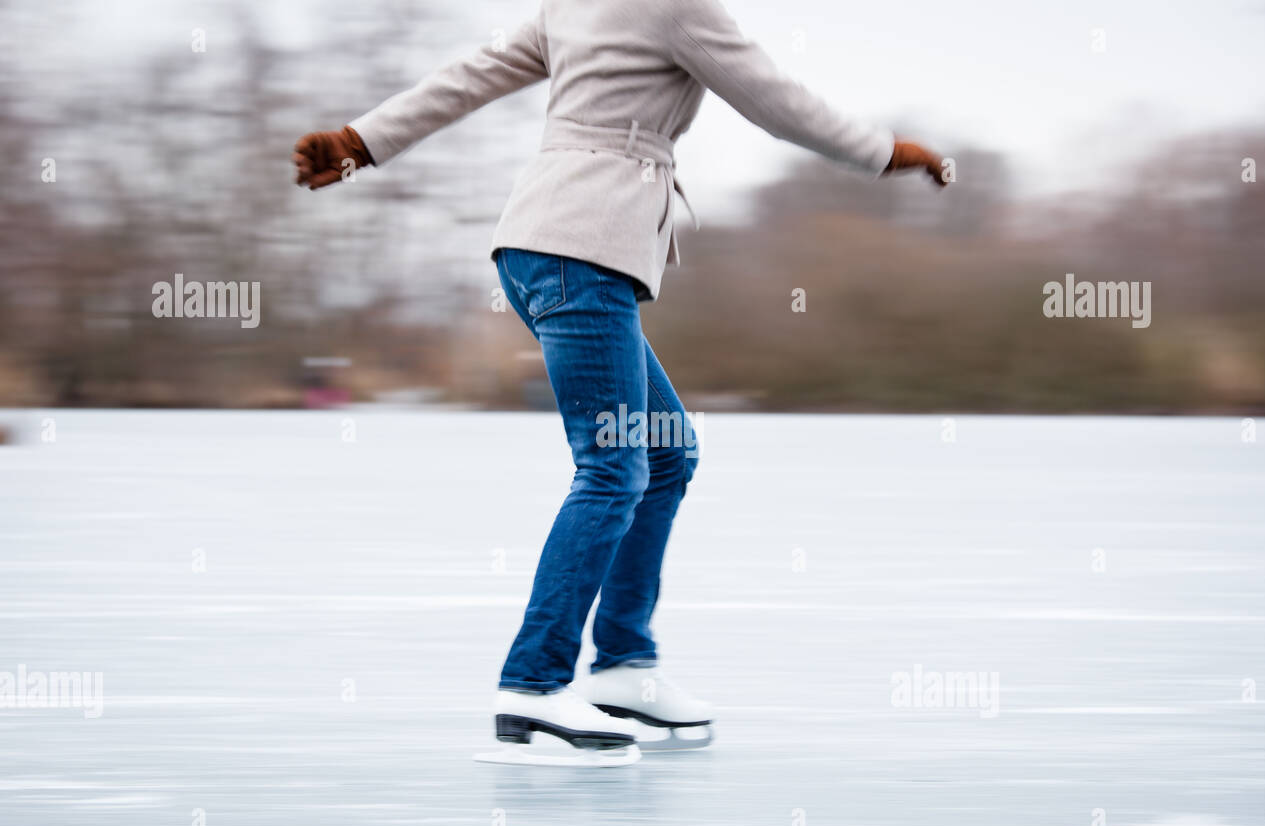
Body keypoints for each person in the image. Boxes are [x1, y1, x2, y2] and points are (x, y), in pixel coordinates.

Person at [293, 0, 945, 766]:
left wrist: (361, 141)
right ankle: (531, 689)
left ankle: (625, 669)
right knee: (613, 466)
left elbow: (471, 74)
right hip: (583, 249)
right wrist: (882, 152)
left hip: (542, 247)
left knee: (665, 453)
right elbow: (775, 101)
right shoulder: (676, 7)